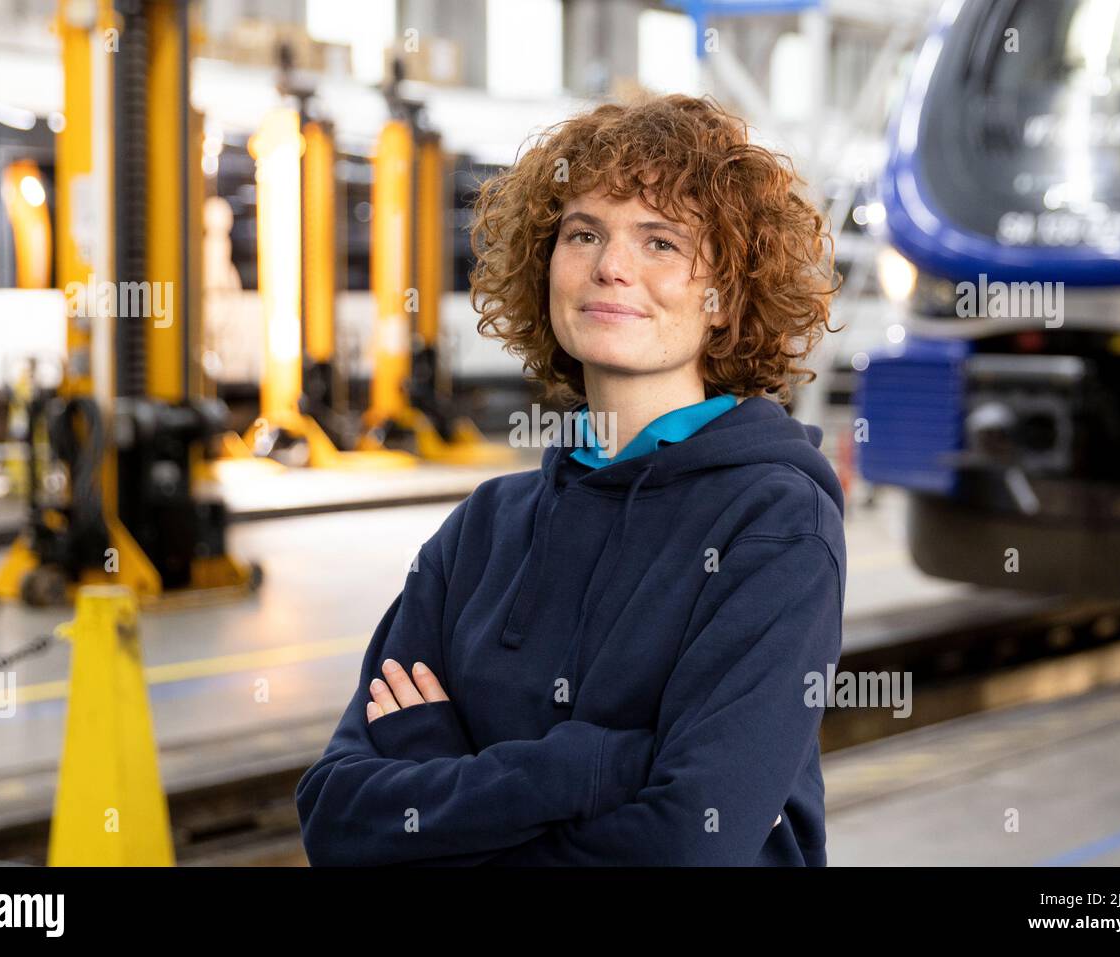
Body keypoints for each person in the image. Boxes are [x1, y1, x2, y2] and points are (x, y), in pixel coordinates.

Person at [296, 92, 844, 866]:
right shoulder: (484, 527)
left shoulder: (776, 525)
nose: (611, 266)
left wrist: (444, 773)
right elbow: (334, 815)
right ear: (545, 265)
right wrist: (586, 768)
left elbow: (688, 844)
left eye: (661, 242)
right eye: (584, 233)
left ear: (727, 297)